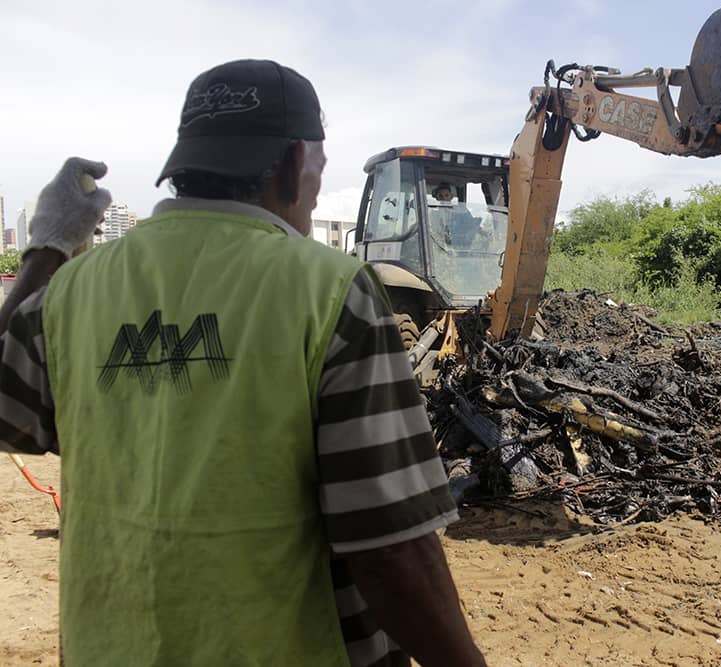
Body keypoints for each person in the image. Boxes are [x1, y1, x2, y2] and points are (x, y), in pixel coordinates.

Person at [0, 59, 485, 667]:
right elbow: (389, 547)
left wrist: (47, 252)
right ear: (293, 164)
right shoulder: (331, 291)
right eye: (319, 170)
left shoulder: (72, 293)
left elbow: (7, 413)